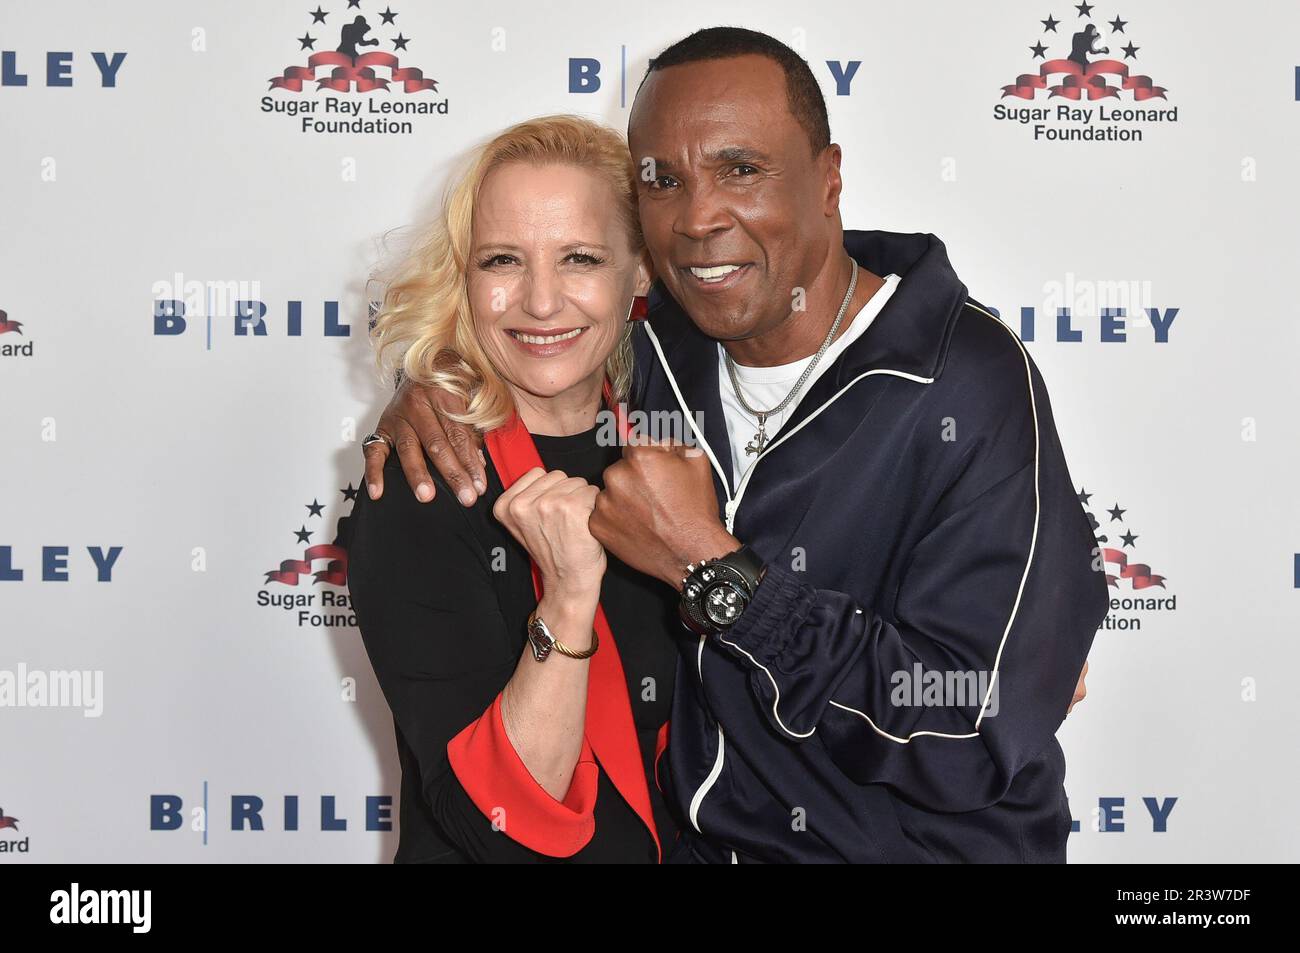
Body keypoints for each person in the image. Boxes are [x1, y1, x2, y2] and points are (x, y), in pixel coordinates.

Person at [362, 27, 1102, 863]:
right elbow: (541, 326)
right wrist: (431, 393)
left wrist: (716, 573)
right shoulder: (665, 351)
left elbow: (973, 726)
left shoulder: (968, 382)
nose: (700, 218)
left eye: (741, 170)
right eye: (664, 182)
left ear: (828, 179)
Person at [346, 115, 678, 863]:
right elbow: (497, 829)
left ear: (641, 270)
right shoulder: (422, 483)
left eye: (580, 258)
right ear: (465, 279)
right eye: (503, 261)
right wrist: (567, 595)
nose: (540, 300)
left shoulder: (677, 445)